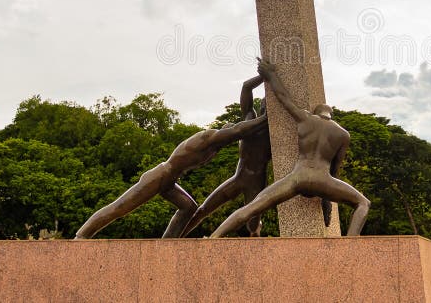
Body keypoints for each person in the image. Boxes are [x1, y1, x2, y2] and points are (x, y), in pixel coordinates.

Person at [210, 59, 370, 238]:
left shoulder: (306, 119)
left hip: (297, 178)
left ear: (315, 112)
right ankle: (349, 245)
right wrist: (327, 201)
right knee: (363, 203)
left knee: (251, 208)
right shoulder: (343, 135)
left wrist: (270, 75)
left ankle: (213, 237)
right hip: (322, 180)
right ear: (331, 116)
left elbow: (284, 97)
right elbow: (334, 171)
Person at [74, 107, 267, 239]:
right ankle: (82, 234)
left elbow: (239, 132)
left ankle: (168, 243)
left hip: (170, 181)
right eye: (229, 135)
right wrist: (266, 118)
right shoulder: (208, 137)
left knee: (189, 208)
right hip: (160, 176)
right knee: (120, 207)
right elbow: (239, 130)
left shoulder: (214, 148)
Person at [178, 75, 271, 237]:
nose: (265, 105)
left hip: (256, 183)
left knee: (252, 226)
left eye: (269, 104)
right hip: (238, 177)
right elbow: (246, 87)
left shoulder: (274, 135)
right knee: (203, 209)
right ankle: (175, 239)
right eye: (264, 102)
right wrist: (263, 75)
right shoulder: (249, 119)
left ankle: (257, 240)